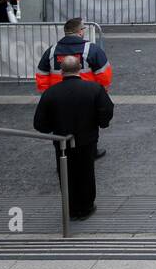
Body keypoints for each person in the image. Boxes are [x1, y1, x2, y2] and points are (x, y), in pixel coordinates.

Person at [33, 54, 114, 220]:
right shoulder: (93, 89)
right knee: (86, 171)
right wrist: (101, 123)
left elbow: (40, 123)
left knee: (66, 172)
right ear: (79, 68)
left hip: (62, 140)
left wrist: (50, 128)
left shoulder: (51, 92)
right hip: (87, 138)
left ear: (61, 71)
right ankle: (85, 206)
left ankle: (71, 207)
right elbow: (106, 109)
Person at [36, 18, 113, 157]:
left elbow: (42, 74)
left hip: (58, 97)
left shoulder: (52, 51)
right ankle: (90, 153)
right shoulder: (91, 49)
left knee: (60, 127)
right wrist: (101, 93)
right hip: (87, 97)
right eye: (83, 29)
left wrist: (47, 94)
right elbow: (104, 74)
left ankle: (63, 155)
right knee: (88, 126)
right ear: (80, 32)